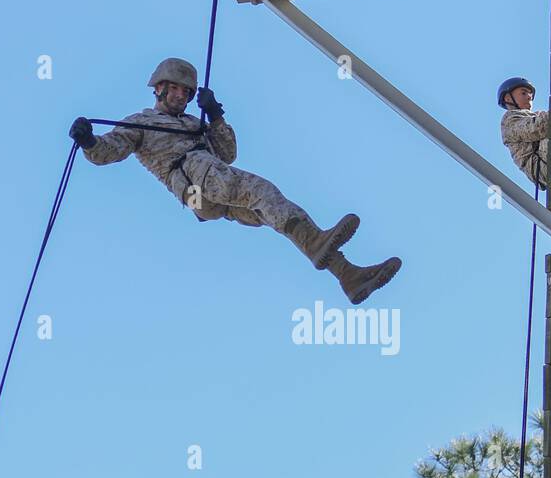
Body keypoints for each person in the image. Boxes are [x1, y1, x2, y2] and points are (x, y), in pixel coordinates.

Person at [69, 58, 401, 304]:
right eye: (176, 90)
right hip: (194, 183)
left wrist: (214, 115)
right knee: (263, 193)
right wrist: (88, 141)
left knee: (273, 210)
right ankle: (319, 245)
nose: (182, 97)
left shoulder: (192, 122)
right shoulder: (141, 122)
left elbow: (228, 154)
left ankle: (347, 276)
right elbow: (107, 152)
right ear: (160, 89)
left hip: (211, 194)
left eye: (187, 92)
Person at [498, 75, 549, 188]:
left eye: (530, 94)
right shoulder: (509, 121)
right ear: (508, 98)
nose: (529, 97)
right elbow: (536, 129)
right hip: (541, 167)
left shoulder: (537, 115)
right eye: (524, 93)